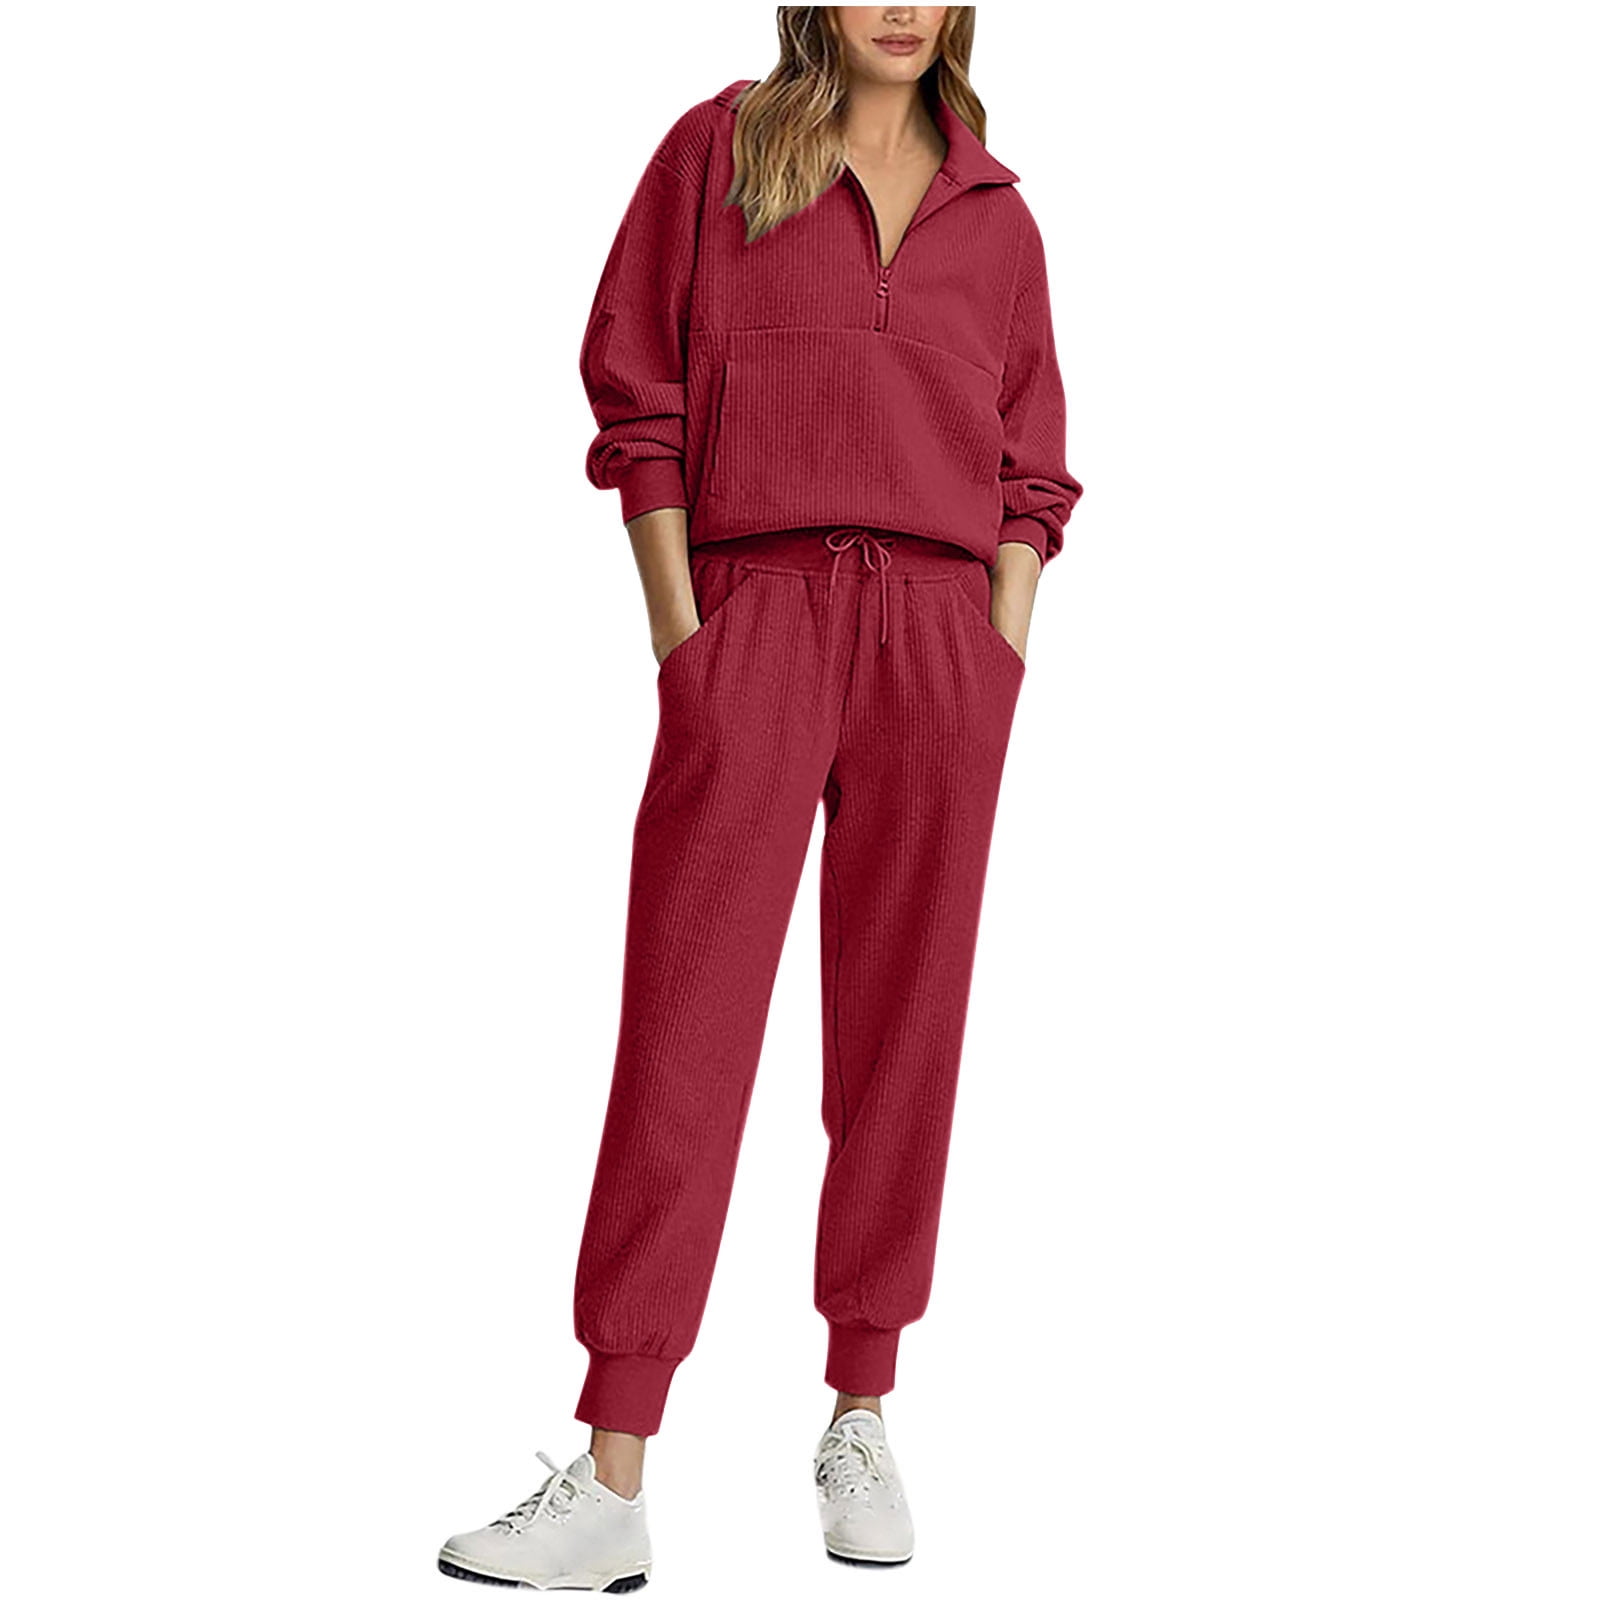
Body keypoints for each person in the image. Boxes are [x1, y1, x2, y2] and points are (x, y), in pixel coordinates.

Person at [438, 7, 1082, 1587]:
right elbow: (637, 395)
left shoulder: (999, 215)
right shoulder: (718, 150)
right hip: (759, 614)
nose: (900, 5)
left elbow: (1035, 468)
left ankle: (863, 1405)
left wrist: (996, 648)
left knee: (904, 1030)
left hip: (940, 642)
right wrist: (687, 636)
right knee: (688, 1023)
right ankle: (614, 1470)